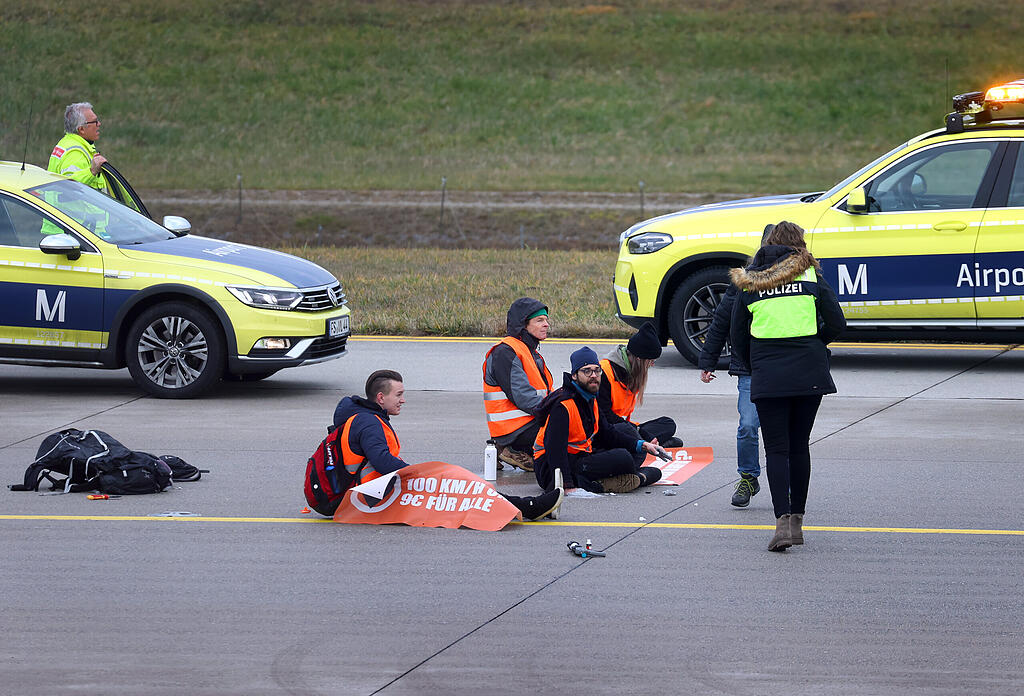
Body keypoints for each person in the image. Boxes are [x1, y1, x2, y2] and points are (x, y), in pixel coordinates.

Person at [729, 221, 846, 551]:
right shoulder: (811, 277)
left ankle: (781, 524)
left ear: (768, 246)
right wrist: (814, 344)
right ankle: (797, 523)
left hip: (769, 374)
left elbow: (737, 336)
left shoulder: (749, 283)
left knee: (777, 450)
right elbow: (837, 323)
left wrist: (755, 365)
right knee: (799, 446)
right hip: (809, 373)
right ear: (799, 246)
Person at [322, 369, 563, 521]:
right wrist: (418, 475)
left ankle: (523, 506)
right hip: (366, 497)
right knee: (457, 488)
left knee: (458, 487)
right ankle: (526, 508)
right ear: (381, 398)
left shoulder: (367, 418)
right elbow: (384, 462)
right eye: (399, 395)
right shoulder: (368, 423)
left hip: (371, 491)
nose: (403, 400)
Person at [697, 224, 775, 508]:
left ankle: (787, 483)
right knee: (748, 426)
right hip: (750, 367)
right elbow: (721, 319)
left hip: (781, 365)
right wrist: (708, 360)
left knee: (781, 430)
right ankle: (748, 477)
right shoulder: (746, 279)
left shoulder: (796, 279)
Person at [533, 347, 664, 495]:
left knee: (639, 453)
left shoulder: (590, 398)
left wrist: (643, 445)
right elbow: (555, 449)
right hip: (551, 469)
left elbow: (608, 433)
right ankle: (601, 484)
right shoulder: (563, 405)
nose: (594, 375)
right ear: (575, 375)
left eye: (597, 370)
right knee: (624, 458)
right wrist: (567, 486)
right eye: (587, 371)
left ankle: (627, 476)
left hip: (580, 456)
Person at [597, 321, 683, 468]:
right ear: (639, 359)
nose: (652, 364)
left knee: (668, 424)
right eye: (650, 361)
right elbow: (604, 416)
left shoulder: (632, 373)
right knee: (633, 435)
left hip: (626, 426)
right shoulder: (604, 372)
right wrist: (639, 431)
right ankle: (646, 444)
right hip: (609, 429)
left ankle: (646, 443)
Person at [482, 298, 554, 472]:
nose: (547, 325)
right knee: (567, 434)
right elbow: (524, 398)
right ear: (523, 325)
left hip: (530, 422)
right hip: (515, 430)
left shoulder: (530, 352)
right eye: (539, 320)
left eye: (546, 320)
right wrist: (558, 411)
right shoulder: (506, 352)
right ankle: (510, 449)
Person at [48, 103, 109, 193]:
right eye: (95, 122)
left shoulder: (67, 143)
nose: (99, 124)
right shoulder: (75, 153)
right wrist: (91, 172)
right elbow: (68, 187)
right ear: (81, 129)